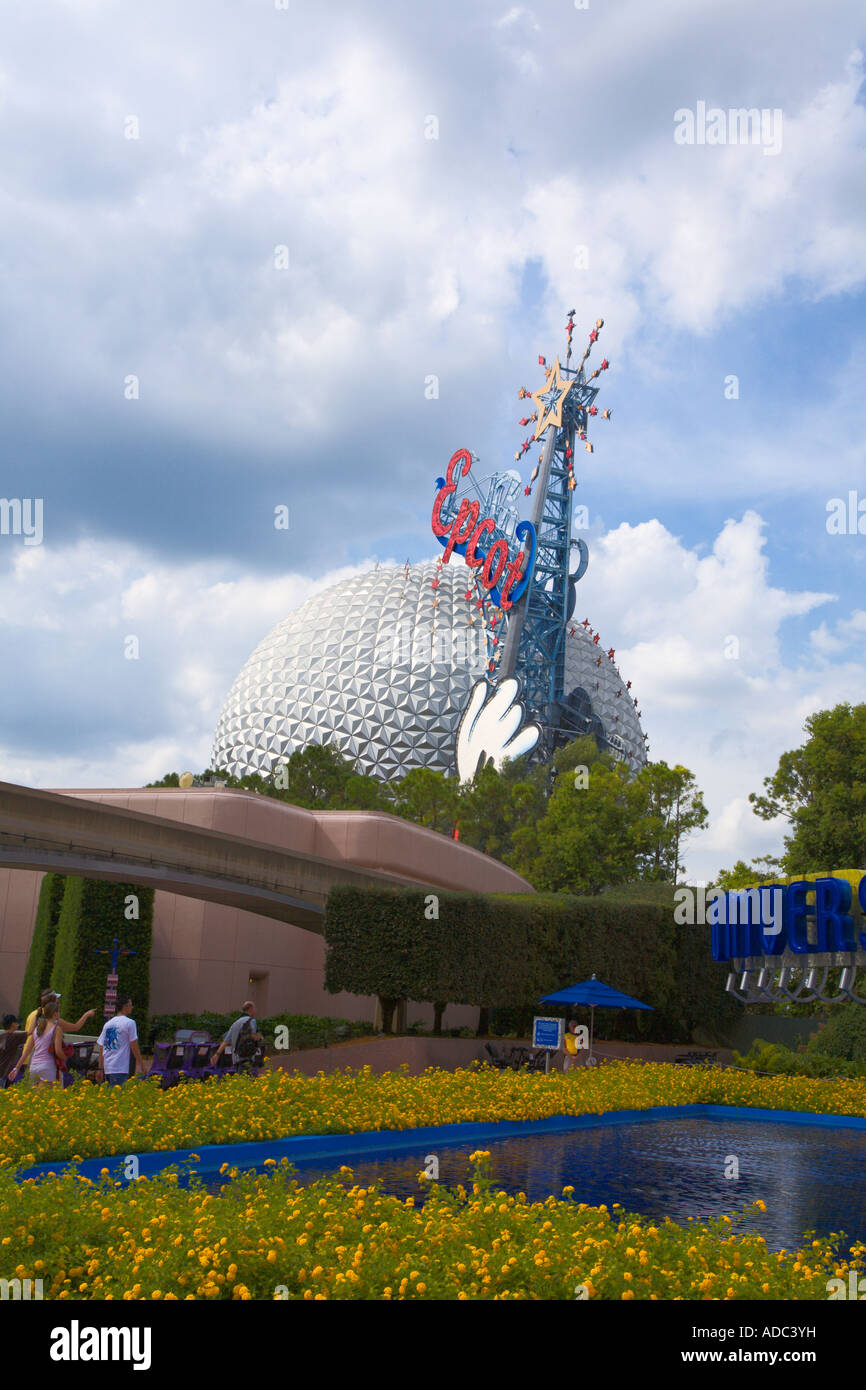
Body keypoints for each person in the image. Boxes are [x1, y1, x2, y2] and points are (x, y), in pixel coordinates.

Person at [9, 1000, 64, 1087]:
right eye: (59, 1012)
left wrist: (16, 1068)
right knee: (46, 1098)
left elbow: (27, 1051)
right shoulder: (57, 1029)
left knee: (32, 1097)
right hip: (47, 1066)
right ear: (55, 1014)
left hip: (33, 1066)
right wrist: (67, 1057)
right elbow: (58, 1051)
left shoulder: (37, 1029)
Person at [96, 997, 144, 1085]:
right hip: (120, 1067)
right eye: (130, 1005)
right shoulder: (130, 1023)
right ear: (124, 1006)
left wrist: (100, 1069)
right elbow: (134, 1046)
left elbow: (102, 1048)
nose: (132, 1007)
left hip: (108, 1067)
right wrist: (142, 1065)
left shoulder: (108, 1024)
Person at [211, 1001, 263, 1068]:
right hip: (247, 1056)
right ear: (250, 1009)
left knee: (240, 1076)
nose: (255, 1010)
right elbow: (253, 1036)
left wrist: (217, 1054)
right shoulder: (251, 1021)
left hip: (236, 1058)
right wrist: (259, 1037)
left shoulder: (235, 1023)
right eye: (254, 1008)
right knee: (246, 1077)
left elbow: (225, 1041)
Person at [25, 989, 96, 1037]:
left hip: (32, 1055)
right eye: (57, 1001)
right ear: (52, 1001)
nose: (59, 1004)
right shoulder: (54, 1020)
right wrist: (87, 1014)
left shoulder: (35, 1014)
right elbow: (75, 1027)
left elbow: (29, 1033)